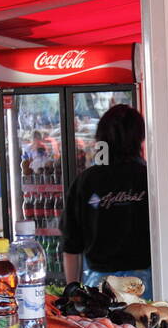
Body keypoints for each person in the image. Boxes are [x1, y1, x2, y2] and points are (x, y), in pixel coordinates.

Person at [60, 104, 153, 297]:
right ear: (140, 138)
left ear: (100, 138)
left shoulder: (86, 181)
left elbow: (71, 245)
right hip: (148, 282)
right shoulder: (151, 178)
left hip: (99, 285)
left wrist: (73, 293)